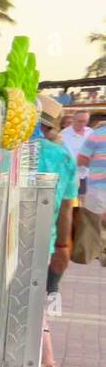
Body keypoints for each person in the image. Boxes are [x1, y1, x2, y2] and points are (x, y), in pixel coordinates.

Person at [29, 119, 78, 367]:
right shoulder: (62, 156)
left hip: (9, 238)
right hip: (46, 242)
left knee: (29, 304)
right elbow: (68, 207)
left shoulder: (5, 151)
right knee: (39, 302)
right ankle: (46, 359)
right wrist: (63, 245)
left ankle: (46, 359)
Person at [74, 114, 106, 266]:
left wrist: (93, 164)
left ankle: (88, 254)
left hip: (97, 186)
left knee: (92, 222)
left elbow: (81, 159)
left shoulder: (97, 135)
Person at [60, 110, 92, 194]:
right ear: (73, 119)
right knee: (73, 203)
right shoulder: (63, 135)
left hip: (88, 174)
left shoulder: (91, 133)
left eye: (84, 121)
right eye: (79, 121)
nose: (82, 124)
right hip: (70, 175)